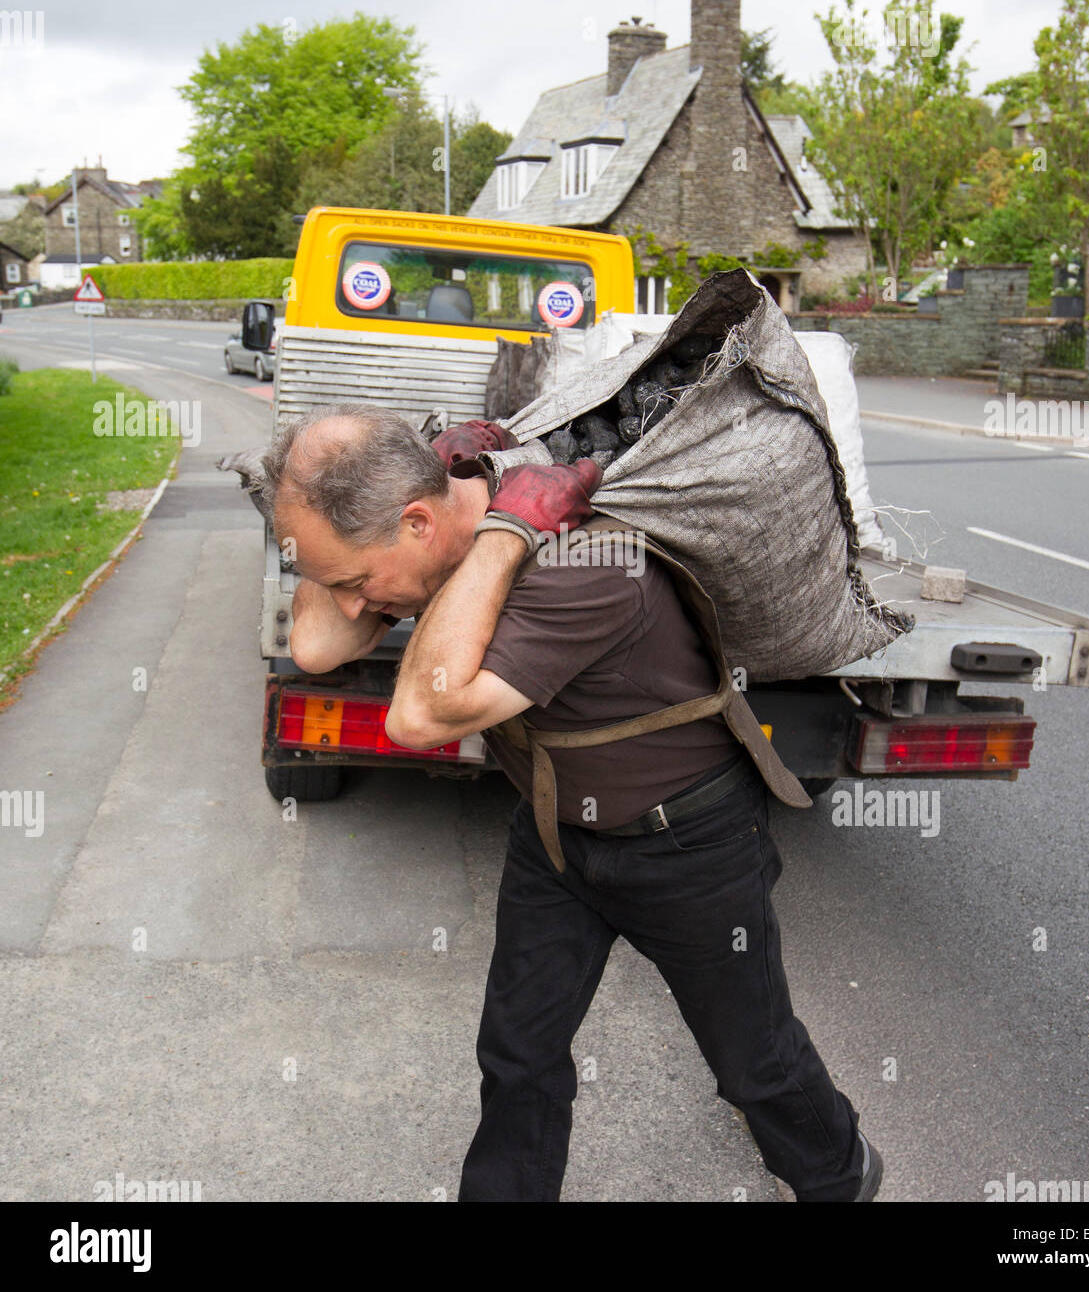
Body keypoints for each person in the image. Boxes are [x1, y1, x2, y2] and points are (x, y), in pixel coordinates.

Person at [259, 404, 882, 1203]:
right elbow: (313, 648)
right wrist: (474, 524)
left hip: (688, 848)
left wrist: (507, 533)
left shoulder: (589, 564)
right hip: (556, 841)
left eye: (353, 583)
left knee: (752, 1061)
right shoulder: (445, 528)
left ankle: (840, 1176)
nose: (349, 606)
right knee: (517, 1054)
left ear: (417, 522)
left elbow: (418, 716)